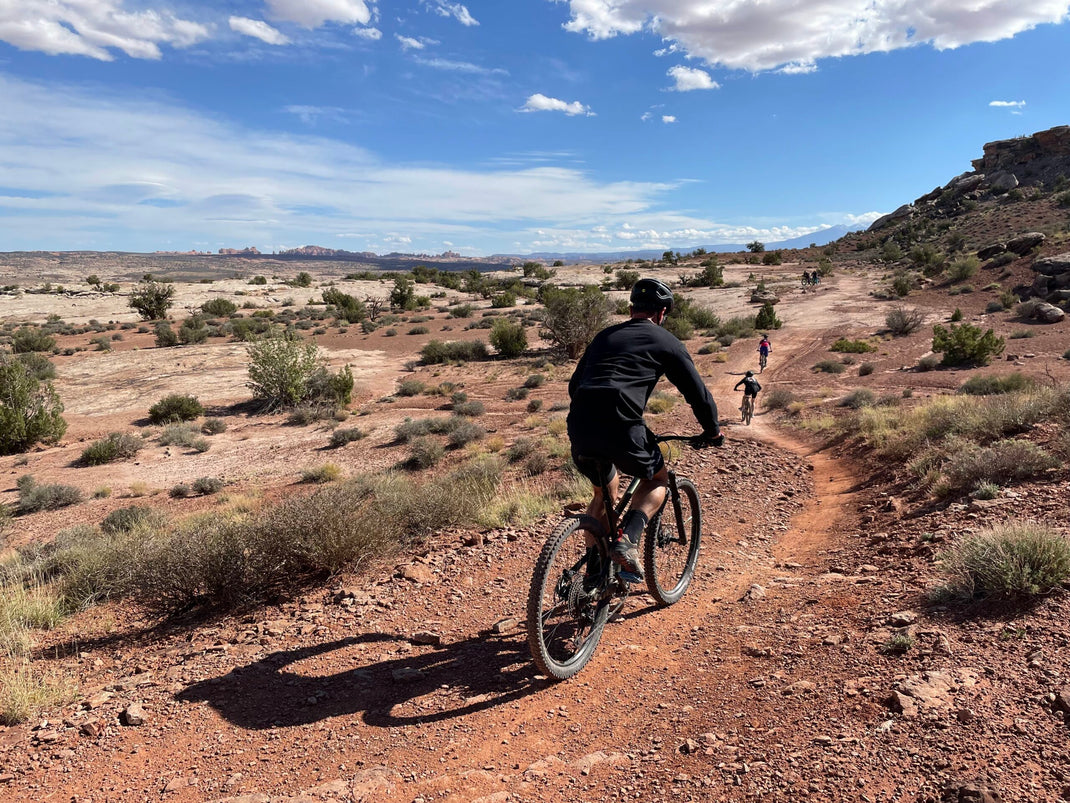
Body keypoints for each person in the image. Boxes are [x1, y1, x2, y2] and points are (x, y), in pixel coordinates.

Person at [567, 278, 723, 581]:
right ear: (662, 312)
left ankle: (595, 574)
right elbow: (697, 394)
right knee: (657, 479)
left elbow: (575, 385)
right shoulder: (666, 341)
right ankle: (628, 541)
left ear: (631, 309)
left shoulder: (604, 336)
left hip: (580, 424)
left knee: (603, 493)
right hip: (622, 424)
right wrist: (712, 430)